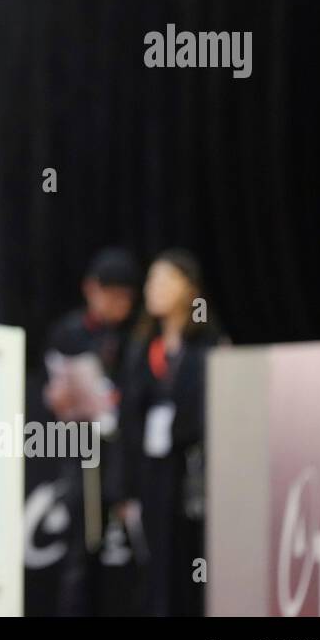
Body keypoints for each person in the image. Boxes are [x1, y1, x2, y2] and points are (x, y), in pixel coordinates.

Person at [117, 248, 226, 616]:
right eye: (152, 280)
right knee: (151, 564)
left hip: (192, 473)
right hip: (151, 472)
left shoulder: (208, 345)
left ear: (189, 288)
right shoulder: (142, 346)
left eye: (165, 280)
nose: (155, 288)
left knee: (189, 562)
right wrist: (125, 489)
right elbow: (129, 421)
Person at [42, 248, 142, 616]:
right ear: (91, 289)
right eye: (110, 293)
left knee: (129, 553)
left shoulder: (138, 334)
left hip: (129, 454)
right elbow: (56, 397)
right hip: (85, 455)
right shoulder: (70, 333)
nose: (118, 303)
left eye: (125, 296)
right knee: (83, 547)